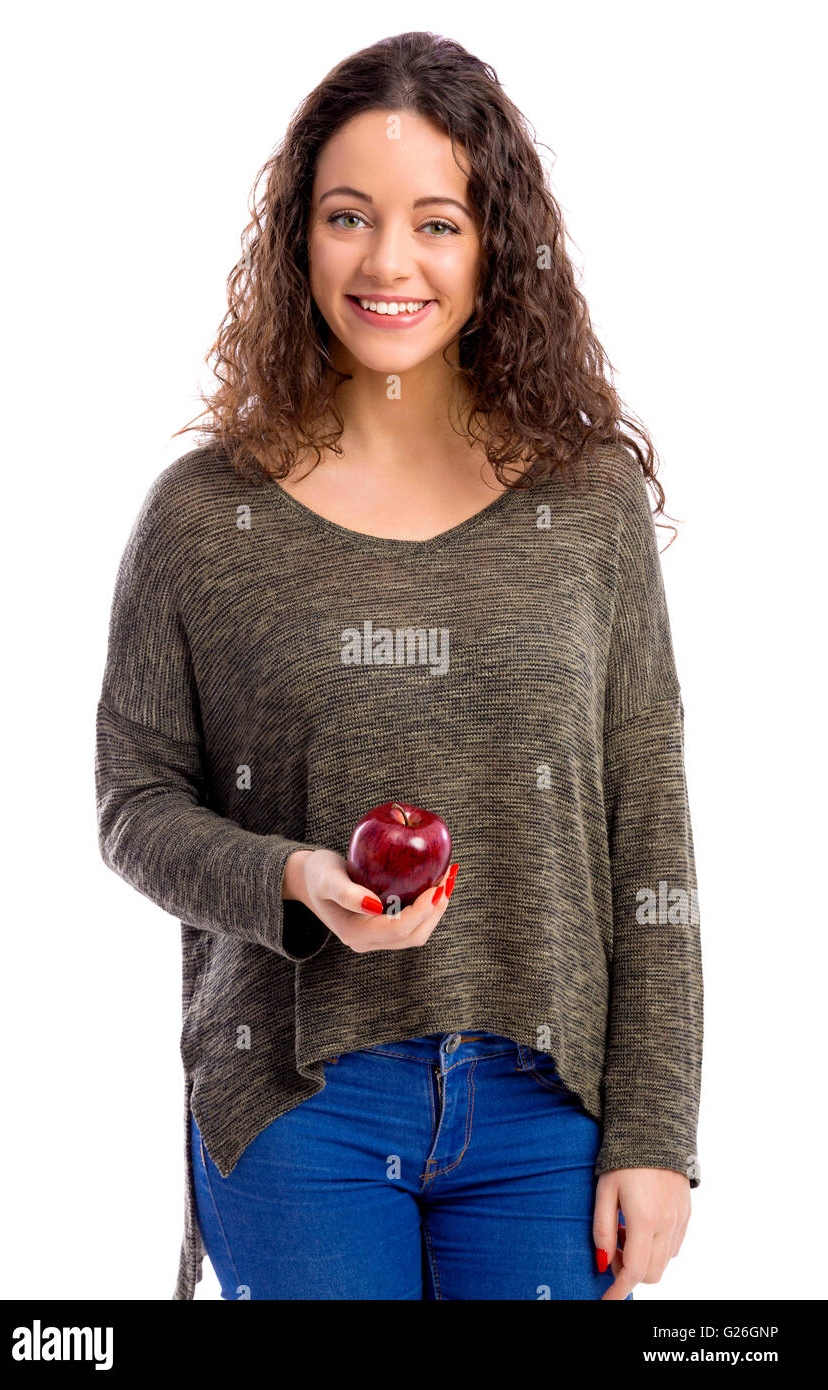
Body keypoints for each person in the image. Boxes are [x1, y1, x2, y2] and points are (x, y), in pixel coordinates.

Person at [95, 31, 702, 1301]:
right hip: (296, 1098)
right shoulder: (203, 517)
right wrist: (291, 876)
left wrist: (654, 1128)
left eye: (436, 223)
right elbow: (133, 803)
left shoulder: (585, 505)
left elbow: (645, 821)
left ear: (493, 248)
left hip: (545, 1107)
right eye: (347, 217)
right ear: (297, 238)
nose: (387, 263)